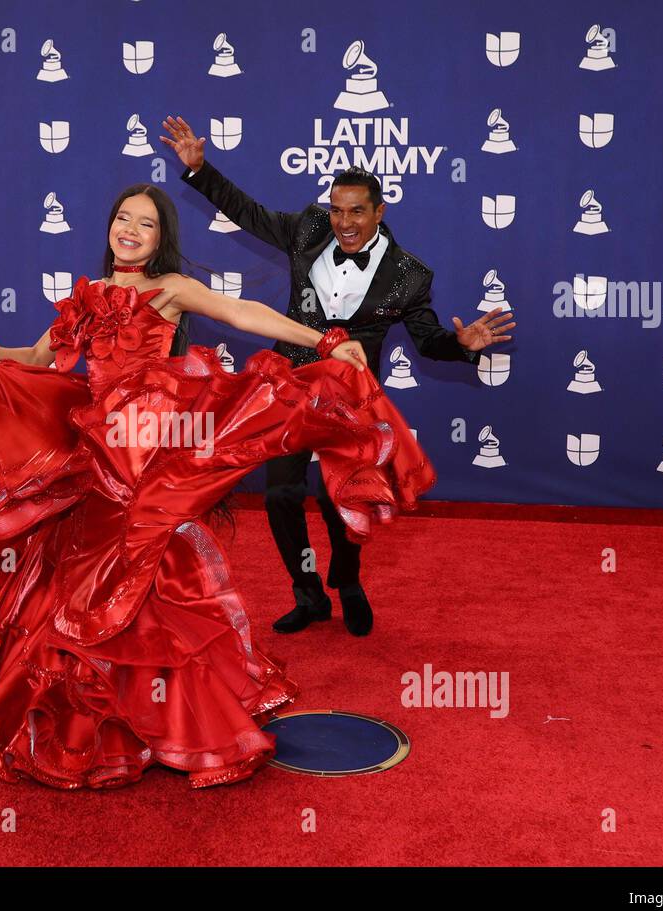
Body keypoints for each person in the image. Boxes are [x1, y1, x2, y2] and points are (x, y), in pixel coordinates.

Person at [0, 182, 435, 790]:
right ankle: (116, 726)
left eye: (146, 224)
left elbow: (243, 312)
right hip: (93, 451)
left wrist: (324, 340)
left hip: (145, 452)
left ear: (161, 238)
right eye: (123, 220)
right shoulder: (87, 297)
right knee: (71, 581)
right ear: (109, 227)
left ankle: (179, 724)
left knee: (145, 576)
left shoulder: (170, 289)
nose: (131, 231)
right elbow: (38, 357)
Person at [162, 115, 516, 638]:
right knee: (281, 494)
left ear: (379, 212)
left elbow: (427, 340)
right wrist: (199, 169)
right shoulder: (308, 229)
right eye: (336, 209)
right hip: (289, 384)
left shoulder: (409, 275)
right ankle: (307, 593)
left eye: (356, 211)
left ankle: (347, 583)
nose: (343, 222)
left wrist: (461, 345)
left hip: (351, 396)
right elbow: (248, 212)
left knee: (342, 497)